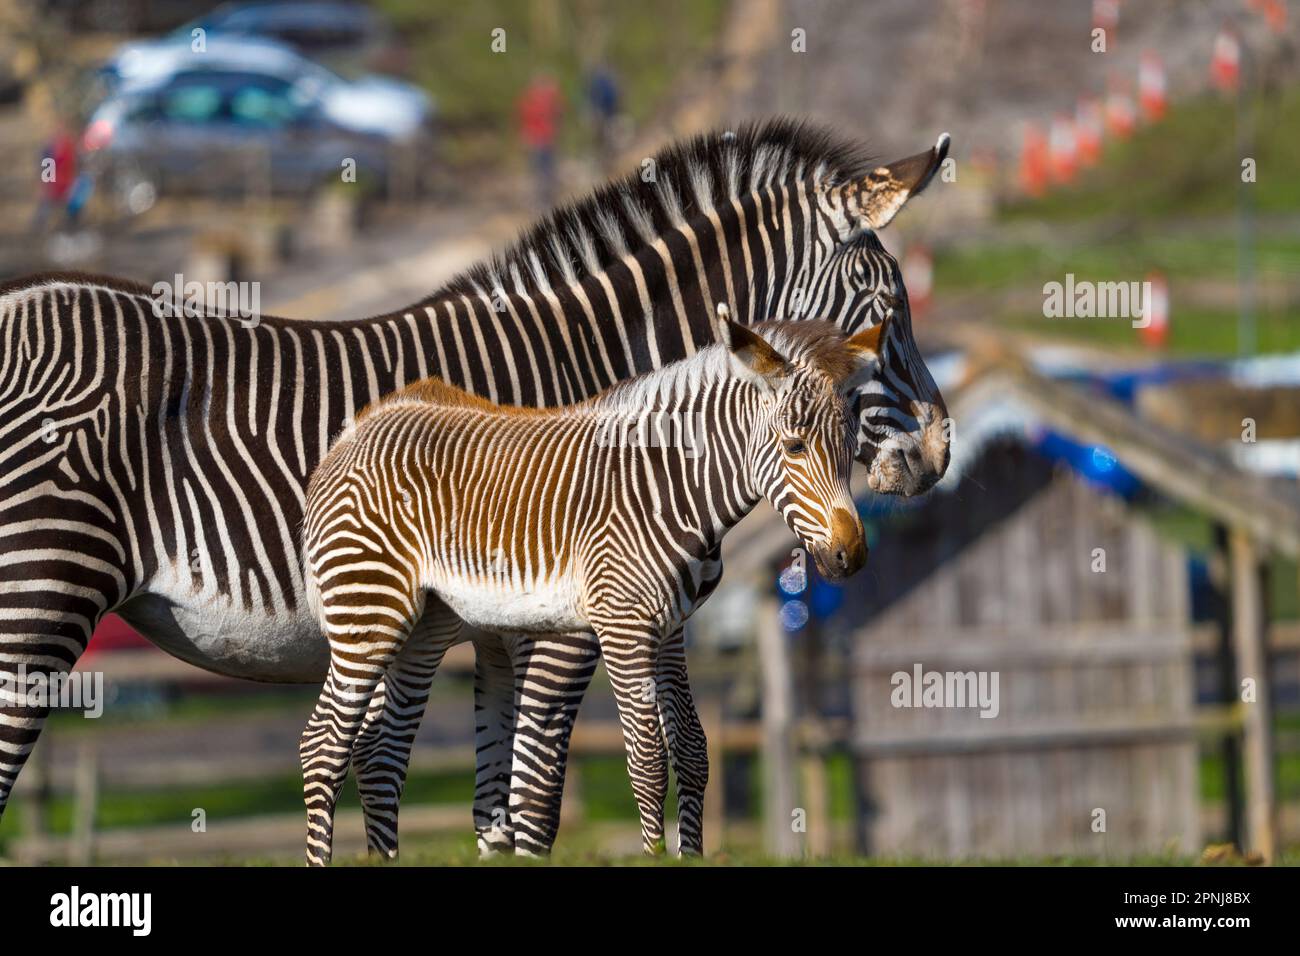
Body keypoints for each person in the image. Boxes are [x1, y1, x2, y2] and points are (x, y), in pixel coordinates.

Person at [517, 73, 562, 208]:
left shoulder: (546, 99)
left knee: (545, 170)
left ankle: (546, 198)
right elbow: (525, 119)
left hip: (545, 139)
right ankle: (543, 198)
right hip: (539, 140)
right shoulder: (532, 100)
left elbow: (558, 113)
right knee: (542, 170)